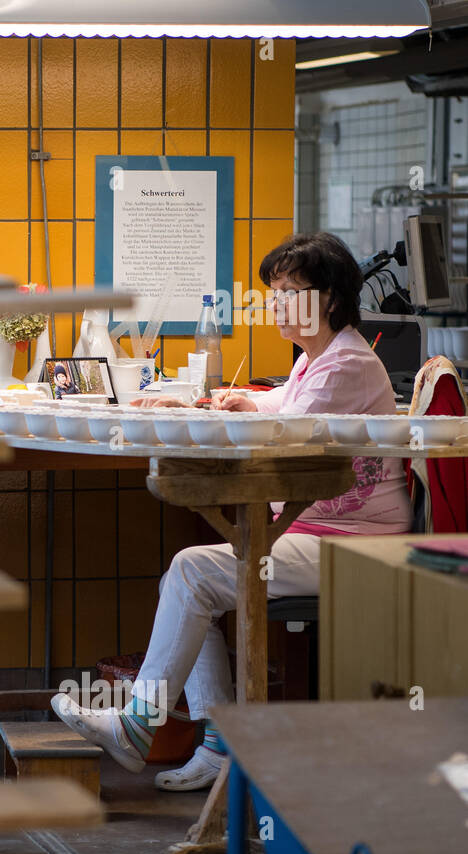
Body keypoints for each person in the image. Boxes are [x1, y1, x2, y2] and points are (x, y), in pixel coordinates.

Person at [52, 232, 412, 790]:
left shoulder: (347, 365)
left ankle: (142, 726)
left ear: (331, 300)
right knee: (192, 575)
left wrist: (196, 408)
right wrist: (241, 399)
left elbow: (282, 434)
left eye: (291, 291)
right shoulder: (319, 359)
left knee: (194, 572)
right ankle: (219, 743)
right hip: (312, 529)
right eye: (273, 291)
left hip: (354, 543)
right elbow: (283, 406)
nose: (276, 302)